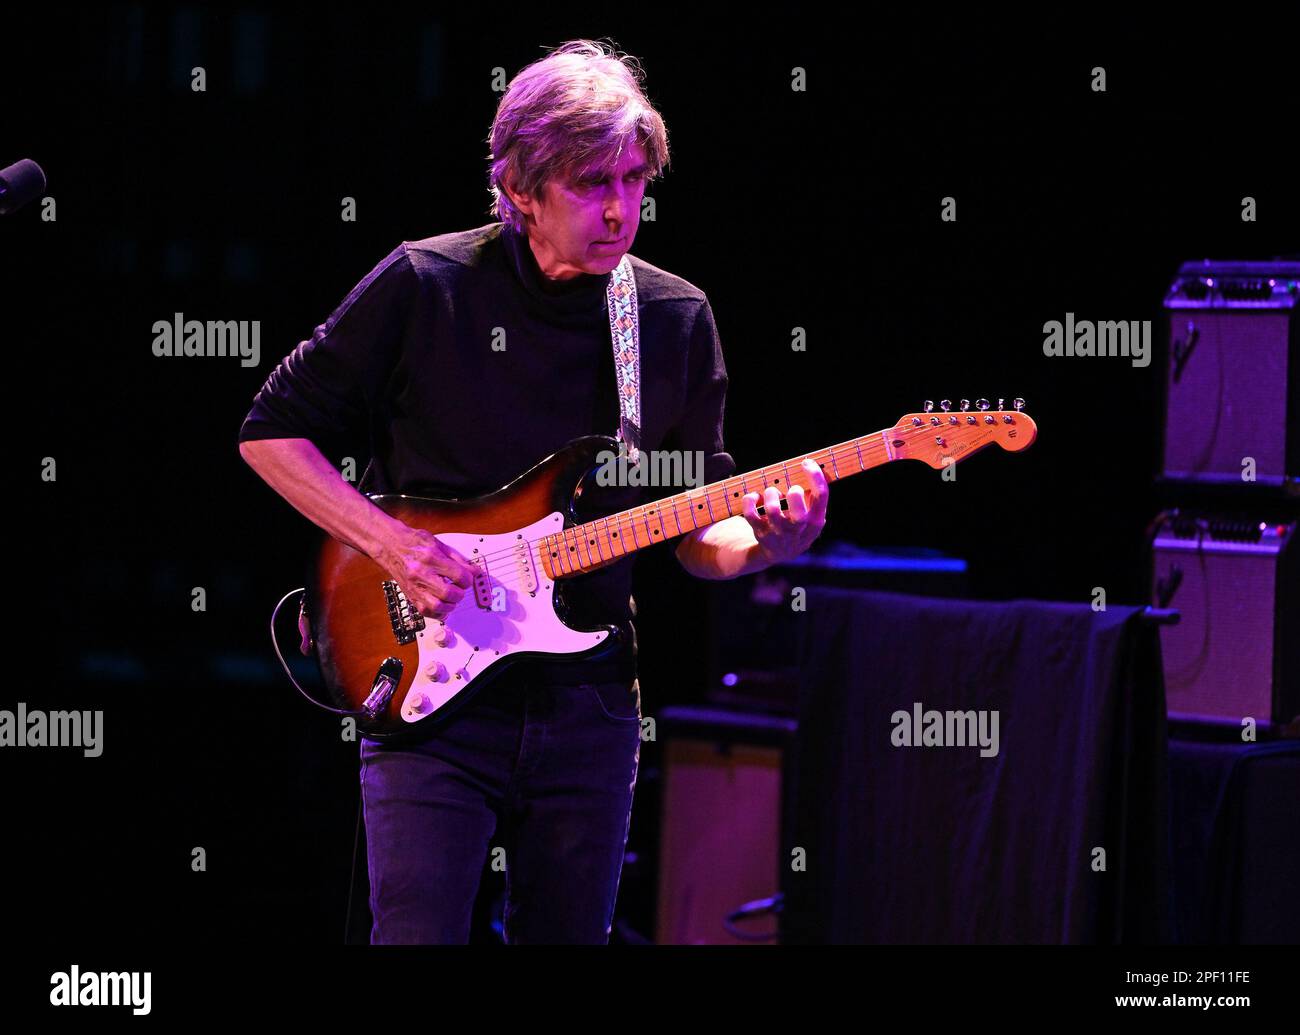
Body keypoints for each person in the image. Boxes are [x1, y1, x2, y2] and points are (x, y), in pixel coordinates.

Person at [238, 39, 828, 944]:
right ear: (519, 186)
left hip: (587, 707)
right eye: (594, 183)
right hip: (428, 695)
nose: (622, 209)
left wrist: (772, 543)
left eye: (635, 180)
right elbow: (270, 433)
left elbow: (696, 537)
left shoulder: (671, 321)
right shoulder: (425, 284)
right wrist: (391, 544)